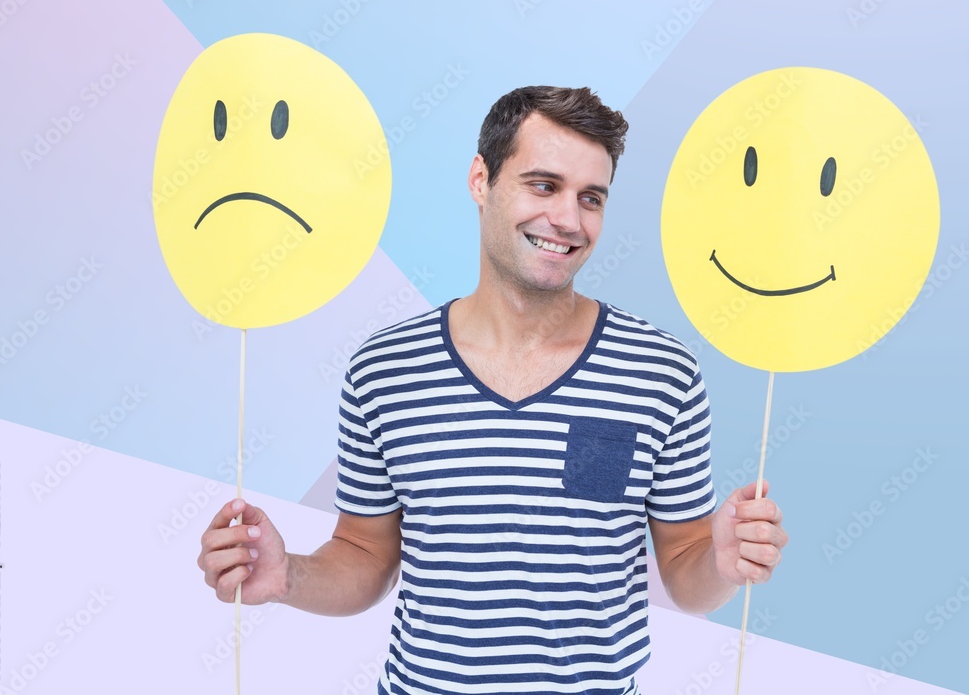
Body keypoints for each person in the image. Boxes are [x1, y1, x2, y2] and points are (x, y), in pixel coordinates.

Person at [198, 85, 788, 694]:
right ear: (481, 180)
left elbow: (688, 571)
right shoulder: (385, 371)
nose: (568, 219)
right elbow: (365, 554)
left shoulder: (661, 372)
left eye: (591, 198)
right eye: (543, 185)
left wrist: (722, 563)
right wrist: (286, 575)